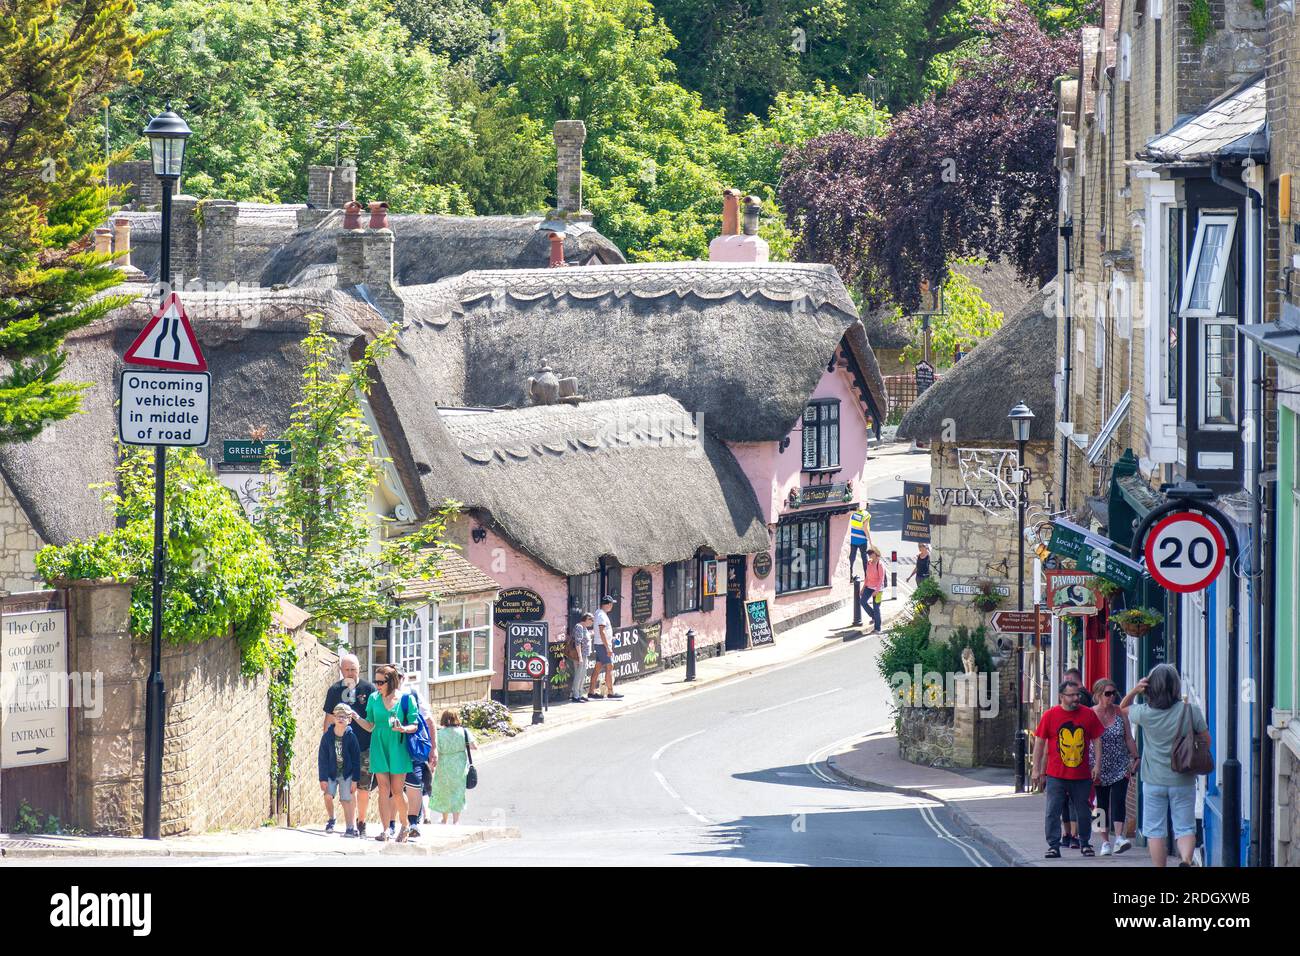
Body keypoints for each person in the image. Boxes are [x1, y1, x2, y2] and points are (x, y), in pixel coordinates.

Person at [1120, 664, 1210, 867]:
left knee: (1154, 830)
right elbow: (1206, 741)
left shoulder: (1143, 713)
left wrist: (1135, 690)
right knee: (1185, 827)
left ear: (1151, 687)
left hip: (1153, 780)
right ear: (1176, 686)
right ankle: (1186, 859)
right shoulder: (1190, 711)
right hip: (1183, 778)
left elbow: (1122, 709)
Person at [1032, 680, 1104, 858]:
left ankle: (1085, 843)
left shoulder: (1088, 714)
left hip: (1081, 775)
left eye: (1077, 694)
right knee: (1052, 811)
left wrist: (1097, 765)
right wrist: (1036, 769)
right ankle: (1053, 846)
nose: (1076, 698)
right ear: (1061, 697)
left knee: (1083, 811)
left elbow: (1097, 740)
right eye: (1071, 695)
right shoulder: (1050, 715)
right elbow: (1040, 743)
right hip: (1056, 774)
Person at [348, 664, 418, 843]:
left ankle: (405, 825)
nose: (377, 685)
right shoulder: (373, 698)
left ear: (391, 681)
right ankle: (386, 829)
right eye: (376, 681)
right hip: (378, 745)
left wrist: (403, 728)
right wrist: (356, 717)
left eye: (381, 682)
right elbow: (370, 726)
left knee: (396, 790)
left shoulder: (406, 700)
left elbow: (414, 725)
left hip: (397, 746)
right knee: (383, 789)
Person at [322, 654, 377, 837]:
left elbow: (372, 721)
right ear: (341, 670)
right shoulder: (335, 690)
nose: (351, 673)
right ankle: (351, 825)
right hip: (341, 747)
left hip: (364, 747)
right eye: (347, 669)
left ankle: (362, 821)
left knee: (362, 788)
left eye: (354, 669)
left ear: (359, 669)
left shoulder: (369, 689)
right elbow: (329, 719)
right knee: (348, 787)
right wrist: (328, 744)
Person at [1091, 678, 1138, 856]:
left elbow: (1128, 737)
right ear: (1098, 695)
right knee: (1100, 805)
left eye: (1113, 693)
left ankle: (1119, 838)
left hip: (1119, 764)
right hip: (1098, 766)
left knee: (1119, 800)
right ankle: (1104, 842)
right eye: (1107, 694)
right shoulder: (1090, 714)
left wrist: (1136, 756)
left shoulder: (1119, 712)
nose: (1111, 697)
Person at [318, 703, 362, 836]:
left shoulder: (351, 737)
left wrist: (355, 780)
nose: (340, 718)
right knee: (327, 796)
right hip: (331, 773)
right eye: (338, 716)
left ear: (349, 720)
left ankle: (350, 827)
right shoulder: (327, 736)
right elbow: (322, 758)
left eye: (344, 716)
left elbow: (356, 760)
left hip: (346, 774)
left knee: (346, 800)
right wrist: (322, 778)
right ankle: (332, 819)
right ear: (334, 718)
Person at [429, 709, 478, 825]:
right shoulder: (464, 732)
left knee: (444, 792)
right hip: (459, 767)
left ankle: (444, 820)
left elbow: (435, 750)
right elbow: (474, 746)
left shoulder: (439, 734)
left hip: (443, 766)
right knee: (458, 792)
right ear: (456, 718)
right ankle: (456, 821)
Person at [402, 680, 433, 840]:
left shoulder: (412, 695)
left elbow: (428, 721)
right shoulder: (379, 696)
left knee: (415, 786)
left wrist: (433, 750)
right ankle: (397, 824)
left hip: (413, 750)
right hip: (394, 750)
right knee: (396, 791)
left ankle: (414, 823)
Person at [588, 595, 623, 700]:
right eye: (611, 604)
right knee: (610, 666)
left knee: (598, 667)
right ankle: (611, 692)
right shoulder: (601, 615)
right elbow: (601, 631)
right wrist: (608, 647)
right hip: (602, 645)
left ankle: (591, 692)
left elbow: (604, 632)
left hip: (601, 644)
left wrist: (611, 638)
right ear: (608, 604)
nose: (612, 606)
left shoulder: (600, 614)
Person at [860, 548, 886, 633]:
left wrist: (877, 591)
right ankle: (874, 616)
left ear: (875, 553)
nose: (869, 555)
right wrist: (863, 588)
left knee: (876, 608)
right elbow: (867, 577)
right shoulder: (869, 563)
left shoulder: (880, 564)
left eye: (871, 553)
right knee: (862, 602)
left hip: (878, 589)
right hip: (869, 587)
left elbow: (881, 579)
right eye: (868, 554)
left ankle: (877, 628)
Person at [570, 611, 593, 703]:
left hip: (585, 655)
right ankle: (575, 695)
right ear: (586, 619)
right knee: (578, 675)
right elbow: (577, 642)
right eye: (591, 620)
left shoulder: (585, 628)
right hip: (580, 655)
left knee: (583, 675)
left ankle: (580, 693)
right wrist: (579, 657)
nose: (592, 622)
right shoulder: (579, 627)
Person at [848, 506, 872, 577]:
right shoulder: (866, 515)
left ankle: (850, 575)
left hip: (853, 539)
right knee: (864, 558)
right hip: (862, 540)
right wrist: (870, 541)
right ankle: (866, 576)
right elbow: (865, 528)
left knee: (852, 558)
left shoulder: (852, 513)